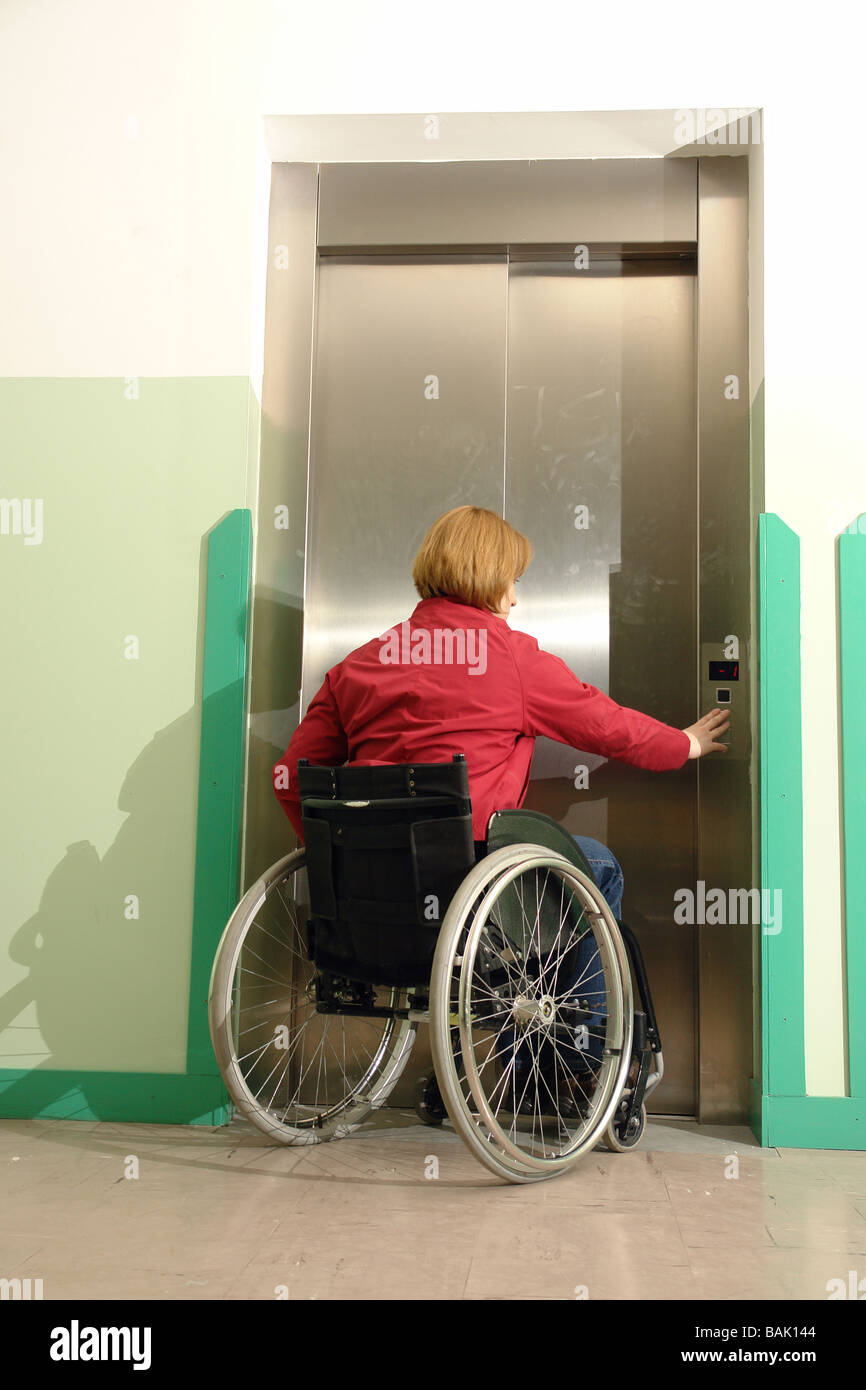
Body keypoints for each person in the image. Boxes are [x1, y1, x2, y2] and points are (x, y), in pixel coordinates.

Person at [272, 505, 729, 1110]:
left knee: (533, 882)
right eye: (514, 581)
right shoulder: (510, 658)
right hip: (475, 879)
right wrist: (684, 744)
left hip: (371, 897)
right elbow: (606, 725)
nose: (516, 599)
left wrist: (341, 859)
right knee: (599, 869)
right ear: (489, 580)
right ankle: (574, 1066)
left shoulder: (358, 665)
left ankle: (520, 1052)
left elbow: (291, 778)